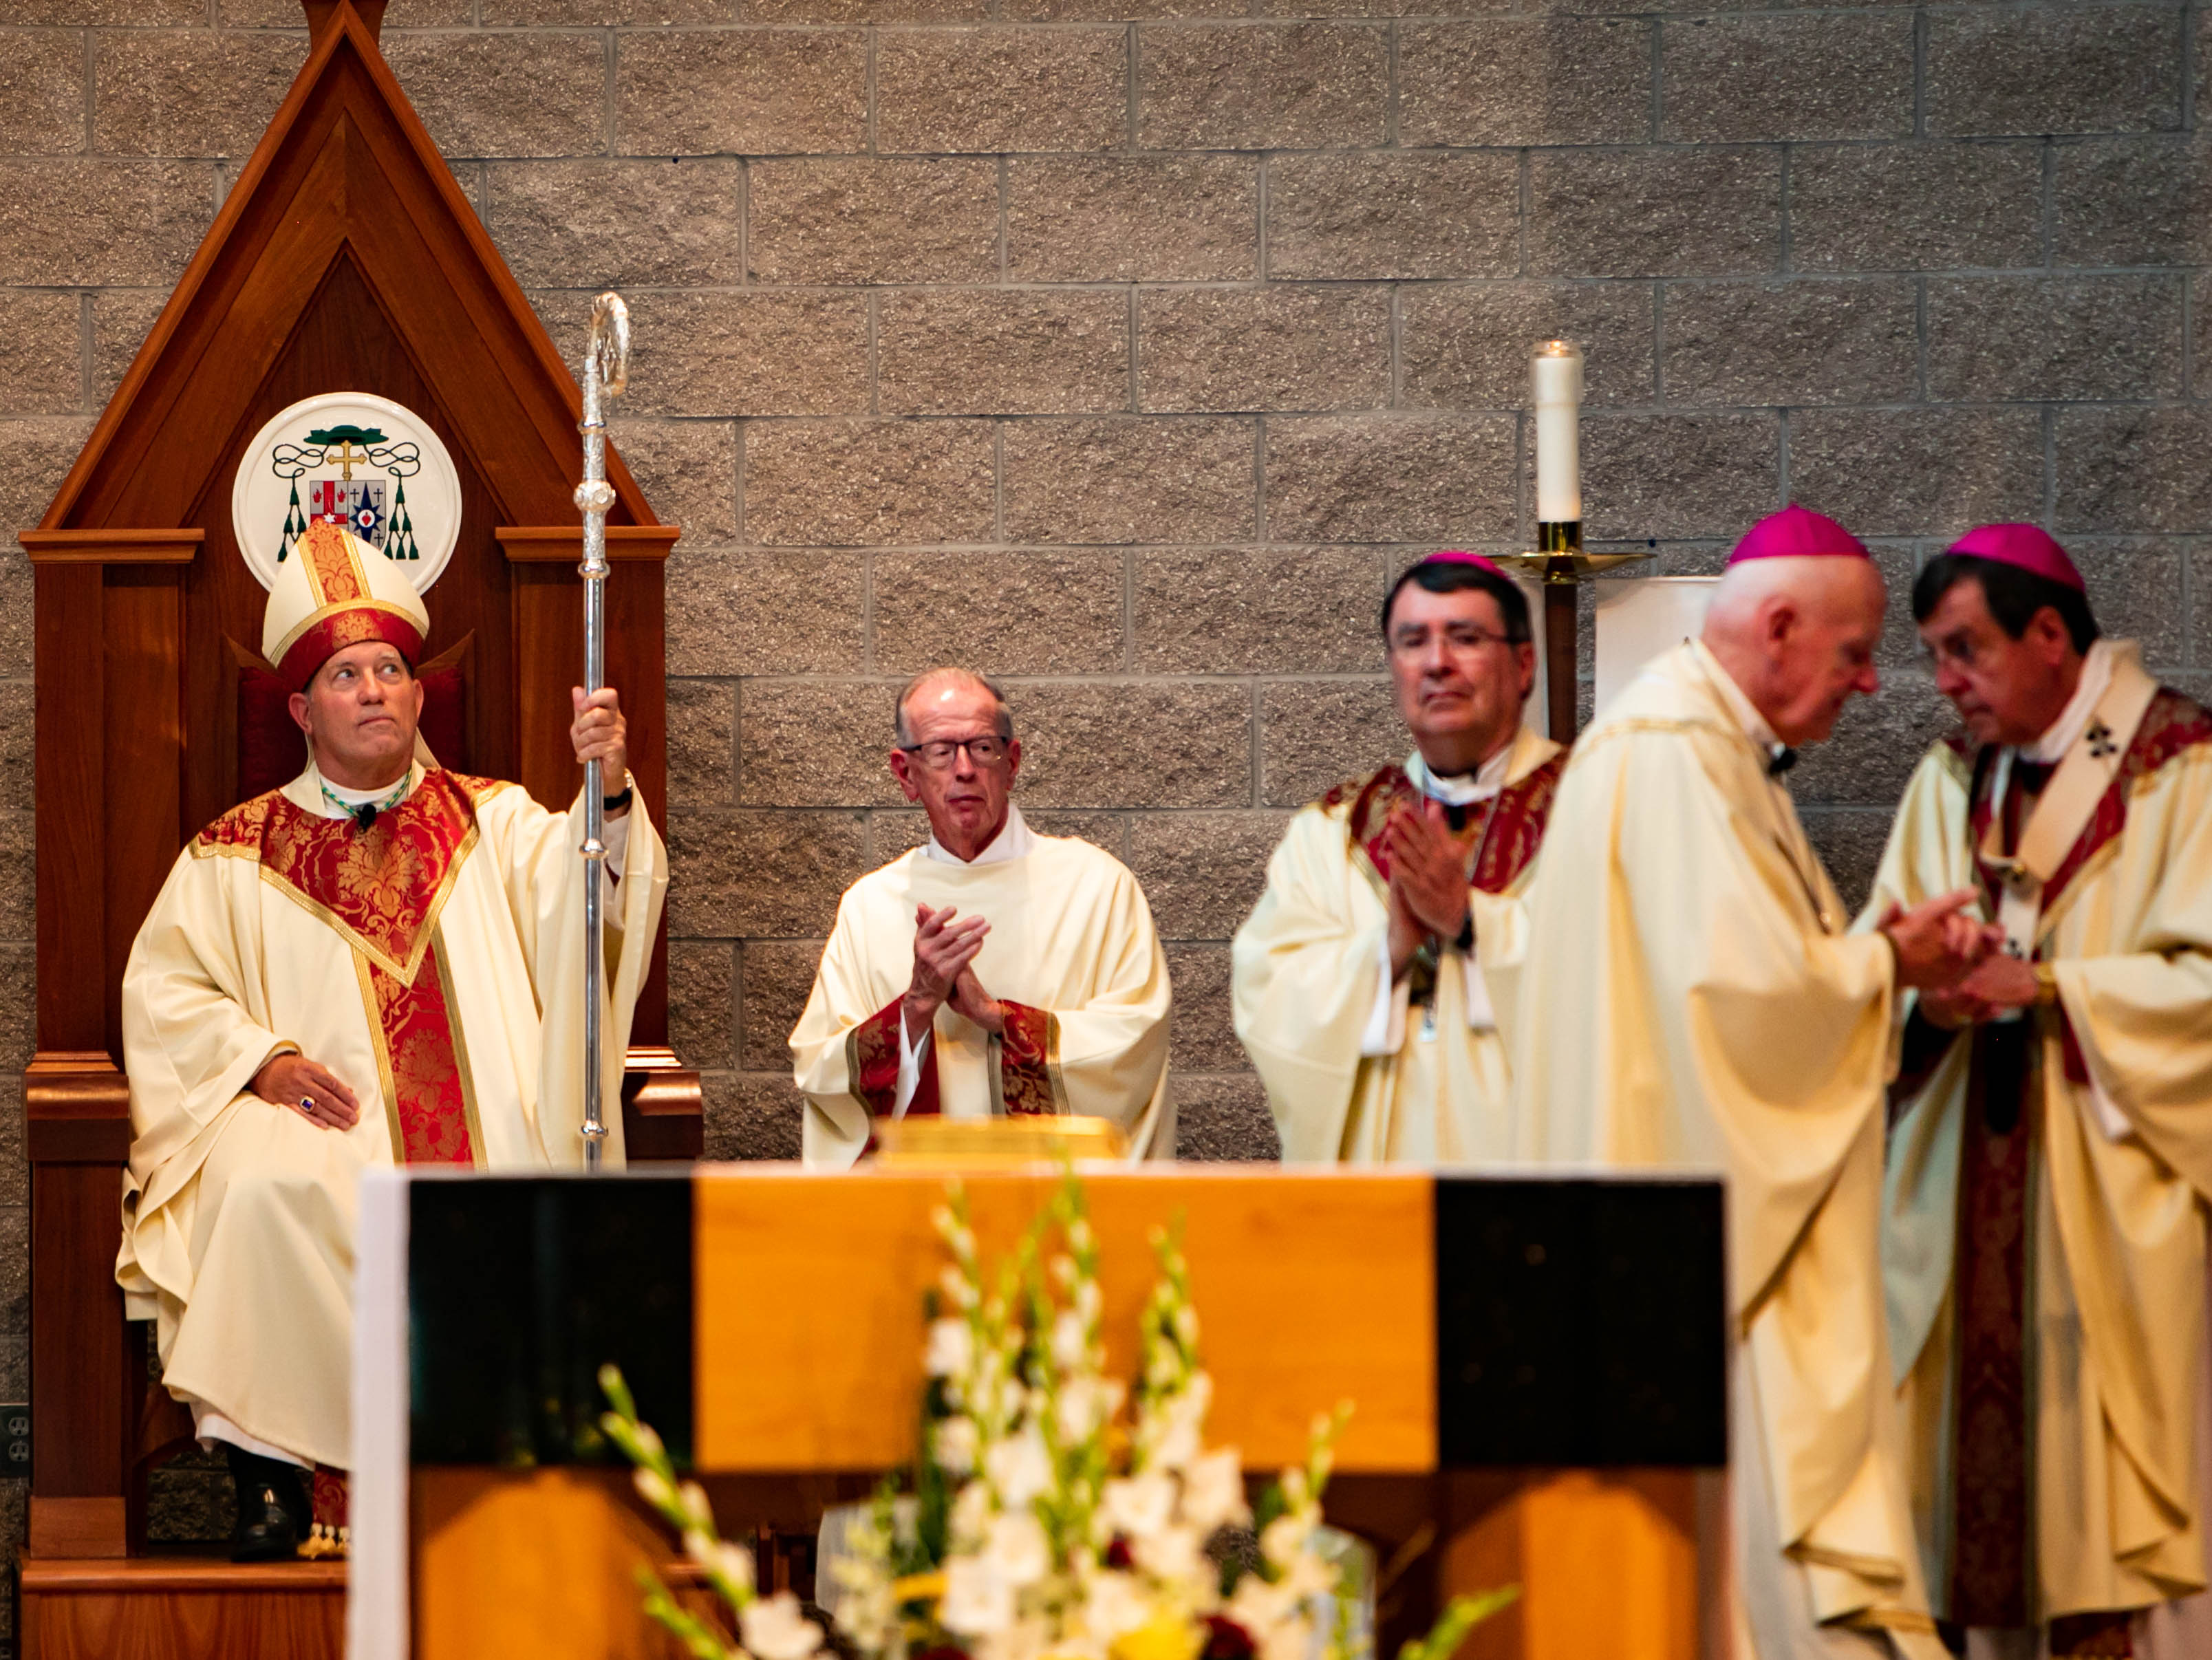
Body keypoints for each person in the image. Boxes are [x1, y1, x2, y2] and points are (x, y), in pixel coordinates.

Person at [116, 521, 667, 1560]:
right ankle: (276, 1475)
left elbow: (593, 909)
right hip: (322, 1126)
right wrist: (260, 1061)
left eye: (390, 671)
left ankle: (501, 1482)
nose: (373, 690)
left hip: (485, 1122)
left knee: (501, 1198)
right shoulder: (234, 851)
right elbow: (166, 992)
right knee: (258, 1189)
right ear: (299, 707)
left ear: (419, 697)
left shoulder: (496, 822)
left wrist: (606, 790)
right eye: (345, 675)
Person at [1507, 505, 1993, 1659]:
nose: (1872, 683)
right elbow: (1738, 1009)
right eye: (1855, 651)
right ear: (1777, 626)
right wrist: (1890, 962)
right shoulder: (1675, 759)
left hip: (1689, 1238)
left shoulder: (1694, 750)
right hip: (1724, 1266)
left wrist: (1878, 967)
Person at [1865, 524, 2212, 1659]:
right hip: (1961, 1204)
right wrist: (1929, 1001)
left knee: (2105, 1536)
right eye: (1933, 657)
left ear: (2053, 634)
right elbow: (1881, 968)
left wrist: (2055, 986)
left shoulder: (2185, 769)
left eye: (1965, 651)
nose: (1946, 684)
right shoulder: (1948, 781)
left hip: (2107, 1211)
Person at [1232, 551, 1562, 1162]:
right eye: (1413, 641)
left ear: (1523, 664)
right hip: (1379, 1178)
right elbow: (1265, 990)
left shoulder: (1591, 810)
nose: (1437, 662)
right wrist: (1383, 953)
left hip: (1533, 1170)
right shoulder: (1334, 829)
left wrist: (1470, 922)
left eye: (1464, 637)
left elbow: (1629, 984)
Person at [792, 669, 1172, 1165]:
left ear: (1011, 763)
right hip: (921, 1213)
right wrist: (916, 1008)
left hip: (1053, 1213)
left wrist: (998, 1019)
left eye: (983, 747)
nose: (965, 768)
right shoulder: (870, 906)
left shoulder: (1098, 887)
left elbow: (1135, 1046)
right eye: (941, 751)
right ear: (905, 773)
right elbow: (821, 1074)